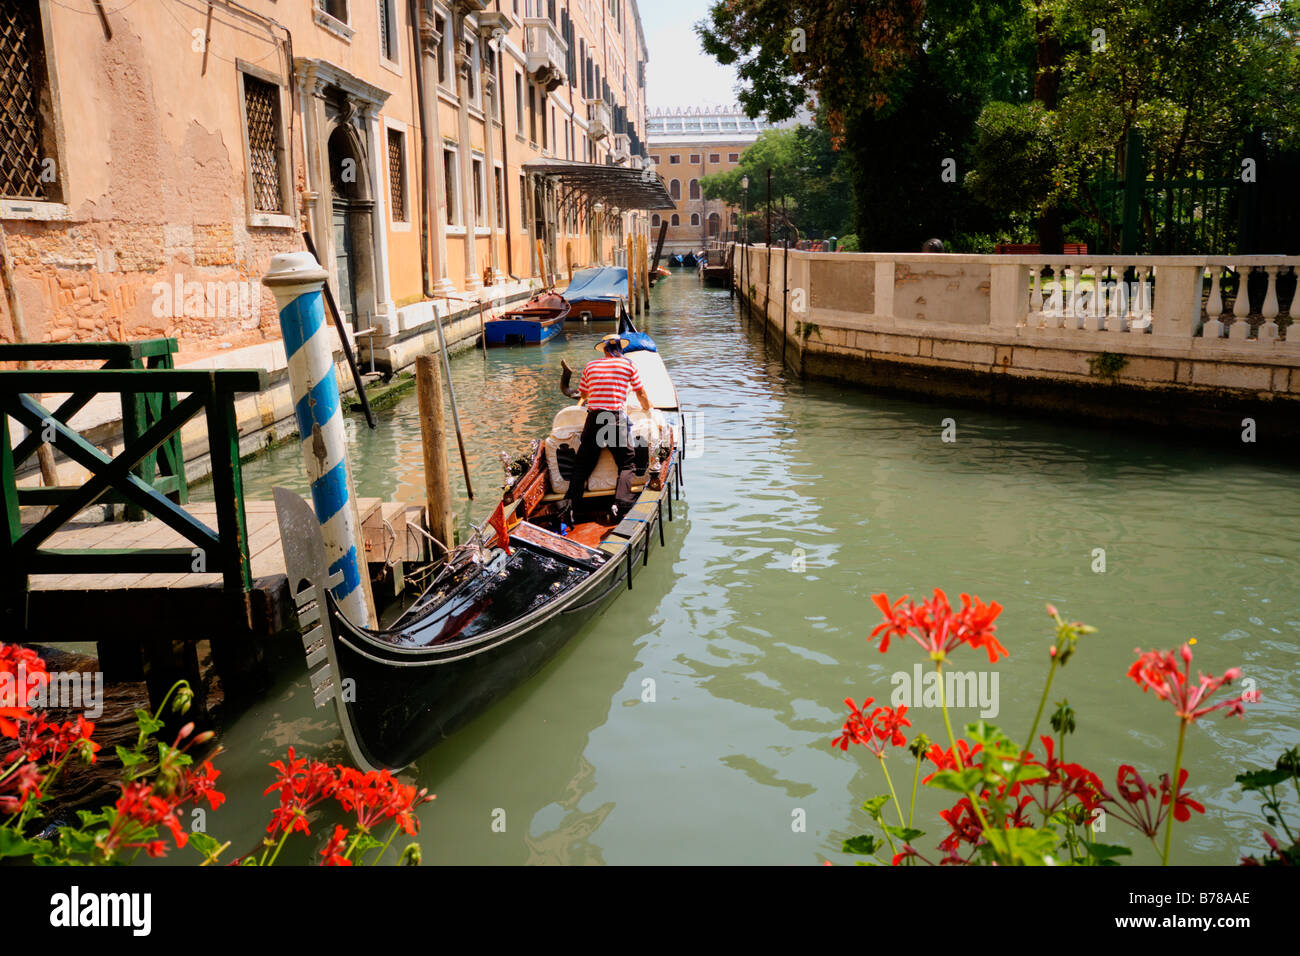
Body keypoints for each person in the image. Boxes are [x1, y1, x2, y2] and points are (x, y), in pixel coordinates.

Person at [557, 333, 653, 525]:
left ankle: (569, 507)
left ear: (604, 351)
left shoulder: (591, 366)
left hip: (594, 419)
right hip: (614, 419)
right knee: (627, 463)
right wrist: (647, 408)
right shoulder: (628, 364)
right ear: (620, 348)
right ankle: (621, 503)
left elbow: (584, 393)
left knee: (582, 466)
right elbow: (640, 392)